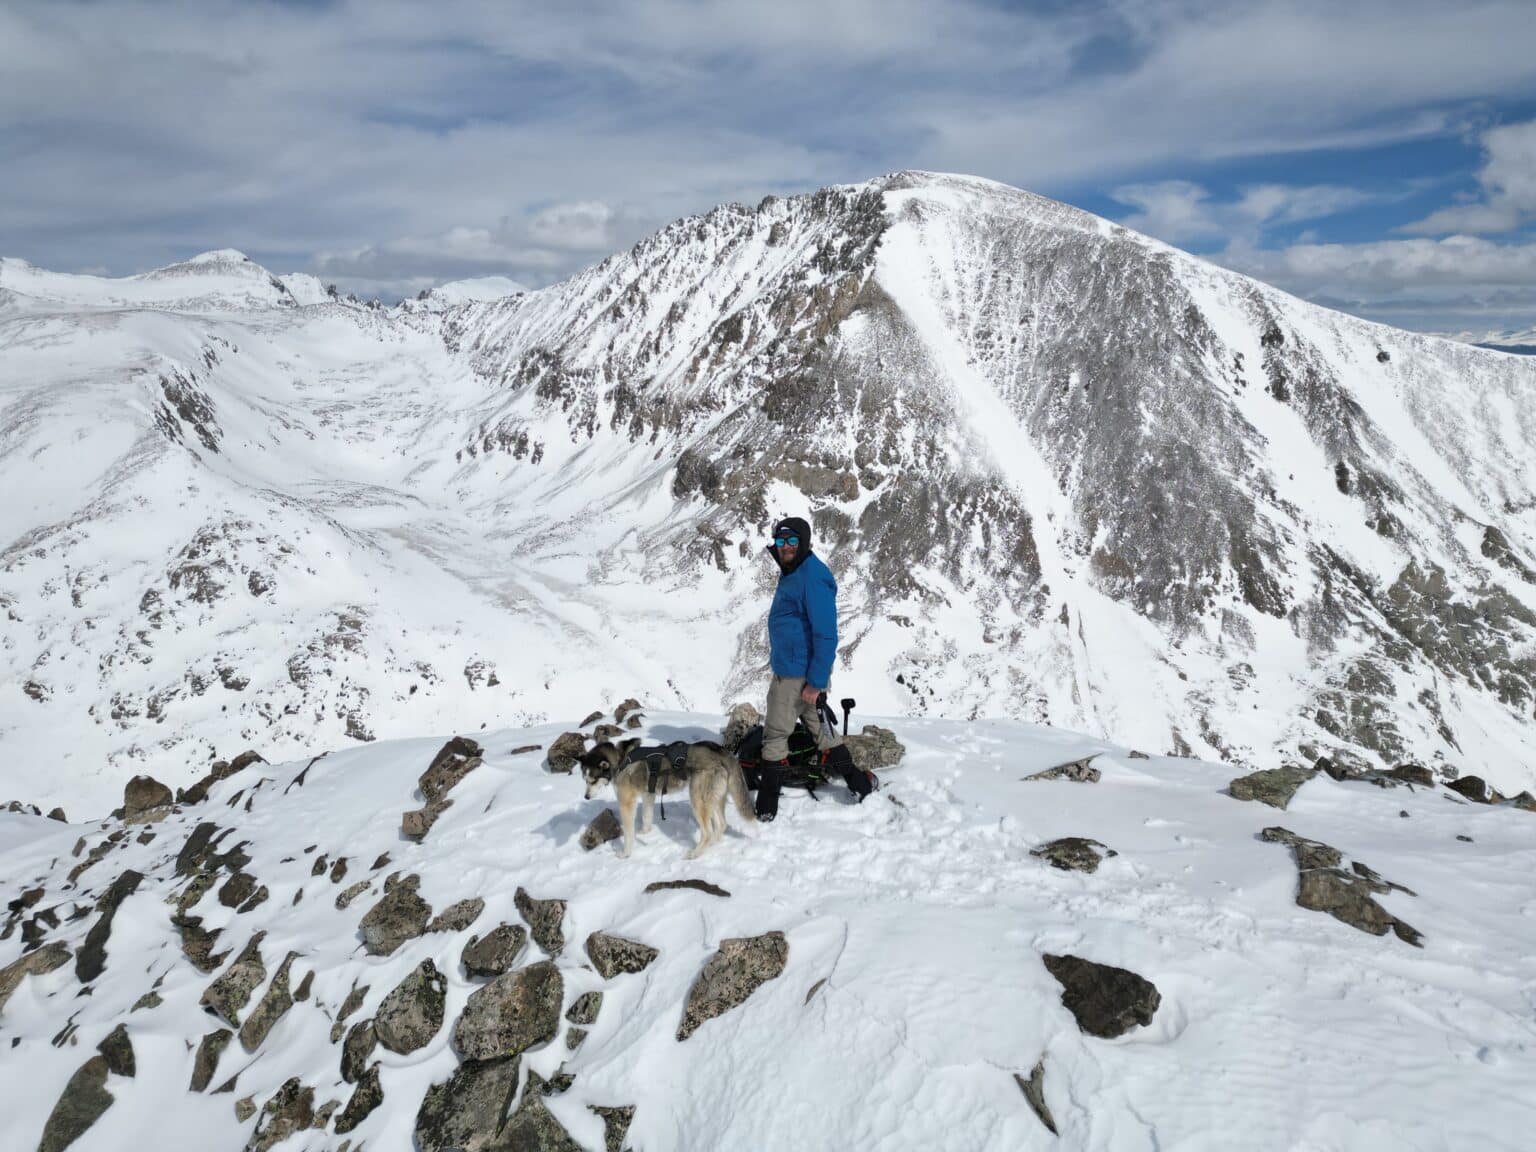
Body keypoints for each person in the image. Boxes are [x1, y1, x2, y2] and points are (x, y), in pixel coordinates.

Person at [755, 515, 873, 819]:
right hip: (801, 675)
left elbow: (825, 633)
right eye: (781, 541)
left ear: (803, 542)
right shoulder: (795, 571)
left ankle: (765, 809)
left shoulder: (811, 576)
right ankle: (860, 785)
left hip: (795, 677)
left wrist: (816, 682)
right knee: (823, 733)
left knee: (775, 737)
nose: (785, 547)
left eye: (792, 540)